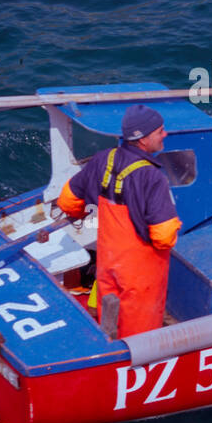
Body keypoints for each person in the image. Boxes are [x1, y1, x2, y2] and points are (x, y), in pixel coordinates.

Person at [55, 104, 181, 338]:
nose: (165, 134)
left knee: (108, 319)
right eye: (160, 131)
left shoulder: (104, 159)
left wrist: (81, 212)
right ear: (143, 140)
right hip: (141, 275)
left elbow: (67, 200)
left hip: (108, 262)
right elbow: (163, 237)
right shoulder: (153, 177)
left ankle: (109, 356)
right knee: (140, 336)